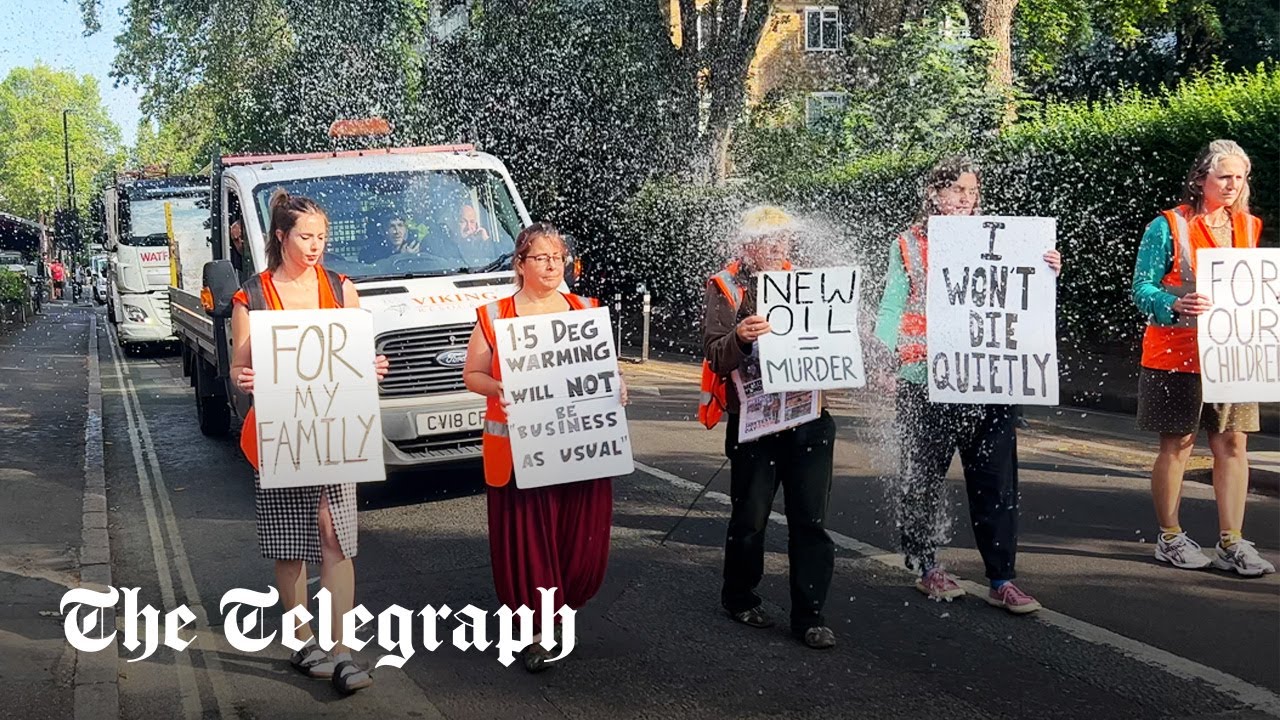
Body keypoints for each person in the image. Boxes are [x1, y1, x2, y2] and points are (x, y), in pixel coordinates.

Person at [873, 157, 1061, 614]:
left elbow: (1022, 299)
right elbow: (892, 306)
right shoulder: (909, 244)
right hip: (925, 379)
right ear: (934, 194)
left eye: (973, 191)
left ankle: (1002, 578)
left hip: (990, 380)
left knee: (996, 482)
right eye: (957, 189)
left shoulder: (1006, 240)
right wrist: (883, 359)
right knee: (923, 478)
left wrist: (1048, 271)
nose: (967, 198)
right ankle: (926, 566)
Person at [229, 189, 390, 694]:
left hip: (335, 433)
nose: (316, 245)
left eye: (322, 236)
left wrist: (372, 367)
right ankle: (303, 641)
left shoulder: (342, 288)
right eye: (306, 236)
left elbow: (357, 356)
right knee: (290, 542)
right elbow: (238, 368)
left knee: (335, 535)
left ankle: (342, 649)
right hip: (282, 434)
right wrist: (244, 378)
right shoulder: (252, 297)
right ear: (281, 236)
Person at [462, 222, 619, 673]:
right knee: (530, 541)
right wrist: (500, 387)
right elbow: (472, 375)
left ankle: (562, 612)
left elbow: (603, 370)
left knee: (577, 540)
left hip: (579, 446)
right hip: (519, 452)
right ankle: (535, 631)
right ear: (520, 264)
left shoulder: (586, 309)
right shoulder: (495, 315)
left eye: (557, 258)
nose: (551, 266)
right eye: (541, 258)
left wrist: (619, 385)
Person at [1132, 139, 1272, 576]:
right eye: (1224, 176)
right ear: (1200, 179)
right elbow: (1142, 288)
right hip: (1176, 354)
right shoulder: (1167, 226)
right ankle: (1170, 536)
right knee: (1177, 445)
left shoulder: (1248, 226)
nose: (1233, 185)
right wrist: (1172, 303)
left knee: (1234, 443)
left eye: (1240, 177)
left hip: (1233, 353)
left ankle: (1232, 540)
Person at [700, 205, 838, 650]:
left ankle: (810, 616)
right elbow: (714, 354)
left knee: (810, 519)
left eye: (783, 238)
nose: (777, 246)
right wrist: (740, 337)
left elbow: (834, 342)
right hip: (755, 422)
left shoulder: (810, 283)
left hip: (809, 418)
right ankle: (740, 597)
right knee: (750, 518)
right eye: (766, 239)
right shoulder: (726, 286)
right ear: (747, 245)